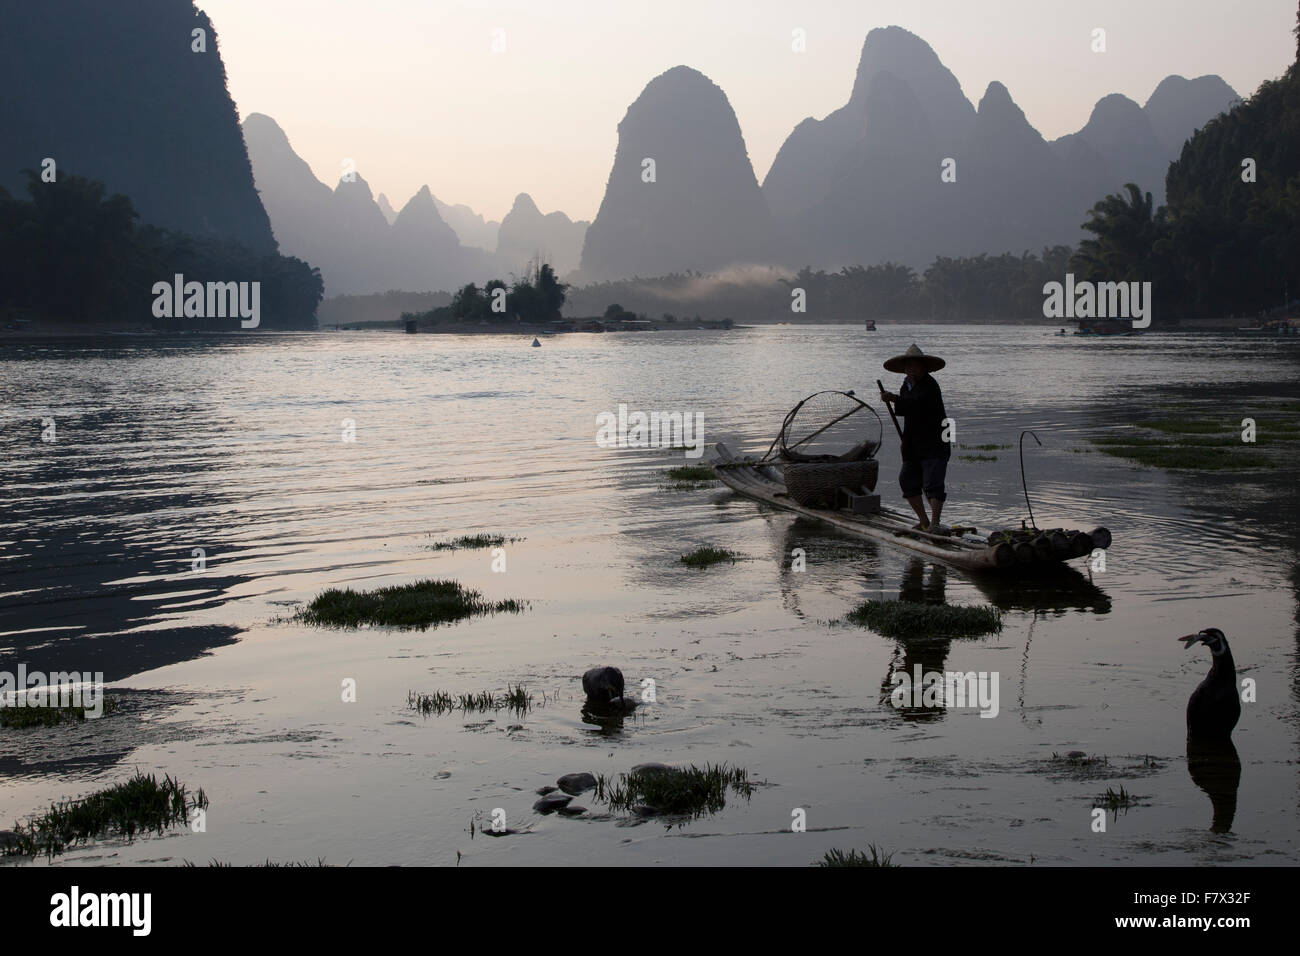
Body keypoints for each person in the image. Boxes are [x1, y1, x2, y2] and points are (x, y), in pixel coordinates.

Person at [878, 344, 951, 534]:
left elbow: (917, 404)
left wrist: (893, 398)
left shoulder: (930, 385)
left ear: (923, 367)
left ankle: (935, 523)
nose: (911, 370)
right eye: (908, 366)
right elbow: (906, 409)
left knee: (933, 483)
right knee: (907, 481)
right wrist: (895, 399)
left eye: (915, 366)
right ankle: (924, 521)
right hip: (913, 442)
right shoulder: (906, 385)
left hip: (936, 440)